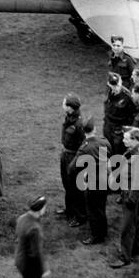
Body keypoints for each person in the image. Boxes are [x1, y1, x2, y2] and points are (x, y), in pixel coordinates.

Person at [109, 127, 139, 267]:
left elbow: (138, 182)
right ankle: (136, 248)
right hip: (131, 192)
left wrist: (130, 199)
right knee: (135, 221)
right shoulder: (133, 151)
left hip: (133, 195)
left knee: (127, 226)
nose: (123, 140)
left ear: (134, 140)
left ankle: (125, 257)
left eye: (126, 138)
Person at [71, 117, 111, 244]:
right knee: (101, 207)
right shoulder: (103, 142)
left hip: (93, 182)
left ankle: (96, 236)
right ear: (94, 129)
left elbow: (72, 167)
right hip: (104, 179)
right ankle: (103, 231)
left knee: (93, 210)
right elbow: (106, 160)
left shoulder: (85, 148)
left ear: (83, 131)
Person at [13, 196, 48, 278]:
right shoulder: (35, 229)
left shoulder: (22, 218)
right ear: (41, 209)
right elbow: (36, 253)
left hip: (19, 259)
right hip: (30, 265)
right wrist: (43, 269)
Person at [58, 94, 86, 225]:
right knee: (67, 183)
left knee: (76, 187)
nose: (63, 105)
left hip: (74, 156)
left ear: (70, 107)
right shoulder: (69, 118)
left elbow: (83, 144)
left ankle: (80, 216)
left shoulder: (79, 123)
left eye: (64, 103)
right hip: (66, 154)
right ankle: (69, 209)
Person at [103, 72, 137, 155]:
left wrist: (127, 130)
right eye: (113, 86)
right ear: (109, 84)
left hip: (119, 129)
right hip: (108, 126)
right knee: (107, 148)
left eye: (117, 85)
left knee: (118, 152)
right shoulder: (108, 92)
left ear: (121, 82)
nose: (116, 88)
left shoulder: (127, 96)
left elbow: (132, 115)